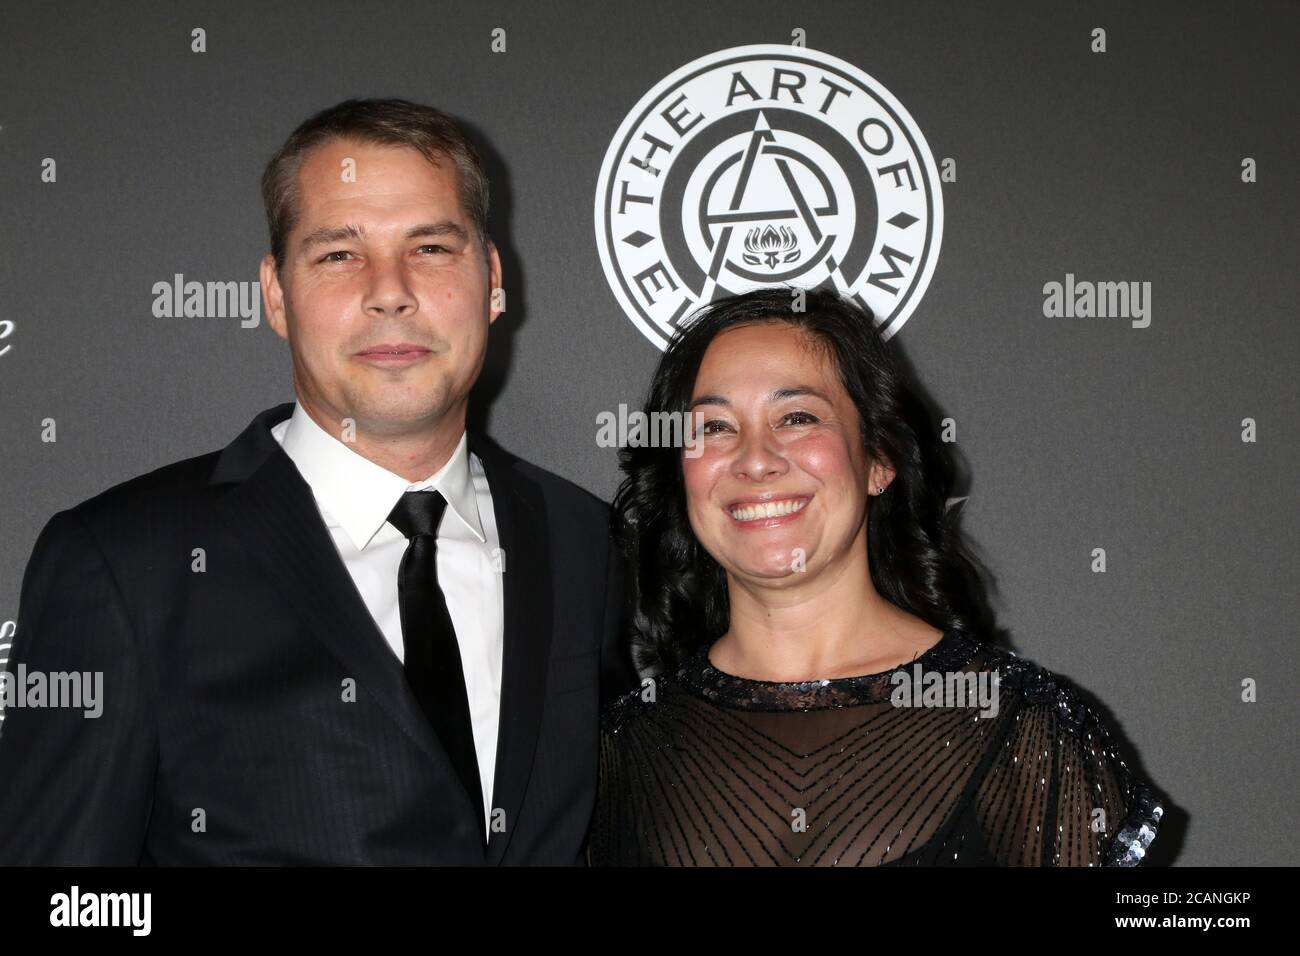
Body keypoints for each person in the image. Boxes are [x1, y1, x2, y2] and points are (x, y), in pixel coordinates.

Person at [0, 98, 638, 864]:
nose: (390, 290)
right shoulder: (126, 562)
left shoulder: (581, 540)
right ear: (275, 295)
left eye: (432, 247)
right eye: (339, 254)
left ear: (493, 279)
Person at [586, 287, 1167, 866]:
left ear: (880, 459)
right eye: (714, 427)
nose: (755, 459)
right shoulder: (615, 754)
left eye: (796, 417)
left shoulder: (1018, 726)